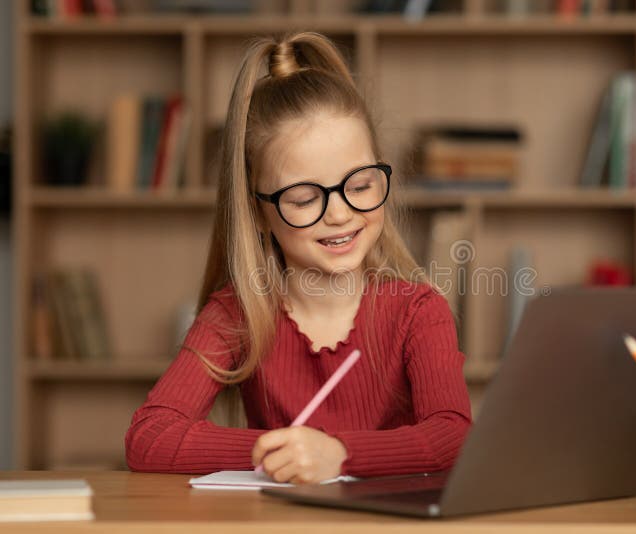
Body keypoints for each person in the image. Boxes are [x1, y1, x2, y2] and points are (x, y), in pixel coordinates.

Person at [124, 32, 473, 484]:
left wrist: (341, 455)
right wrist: (279, 451)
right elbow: (149, 438)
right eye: (306, 197)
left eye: (361, 185)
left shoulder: (418, 311)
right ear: (259, 213)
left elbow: (452, 437)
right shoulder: (238, 314)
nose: (341, 213)